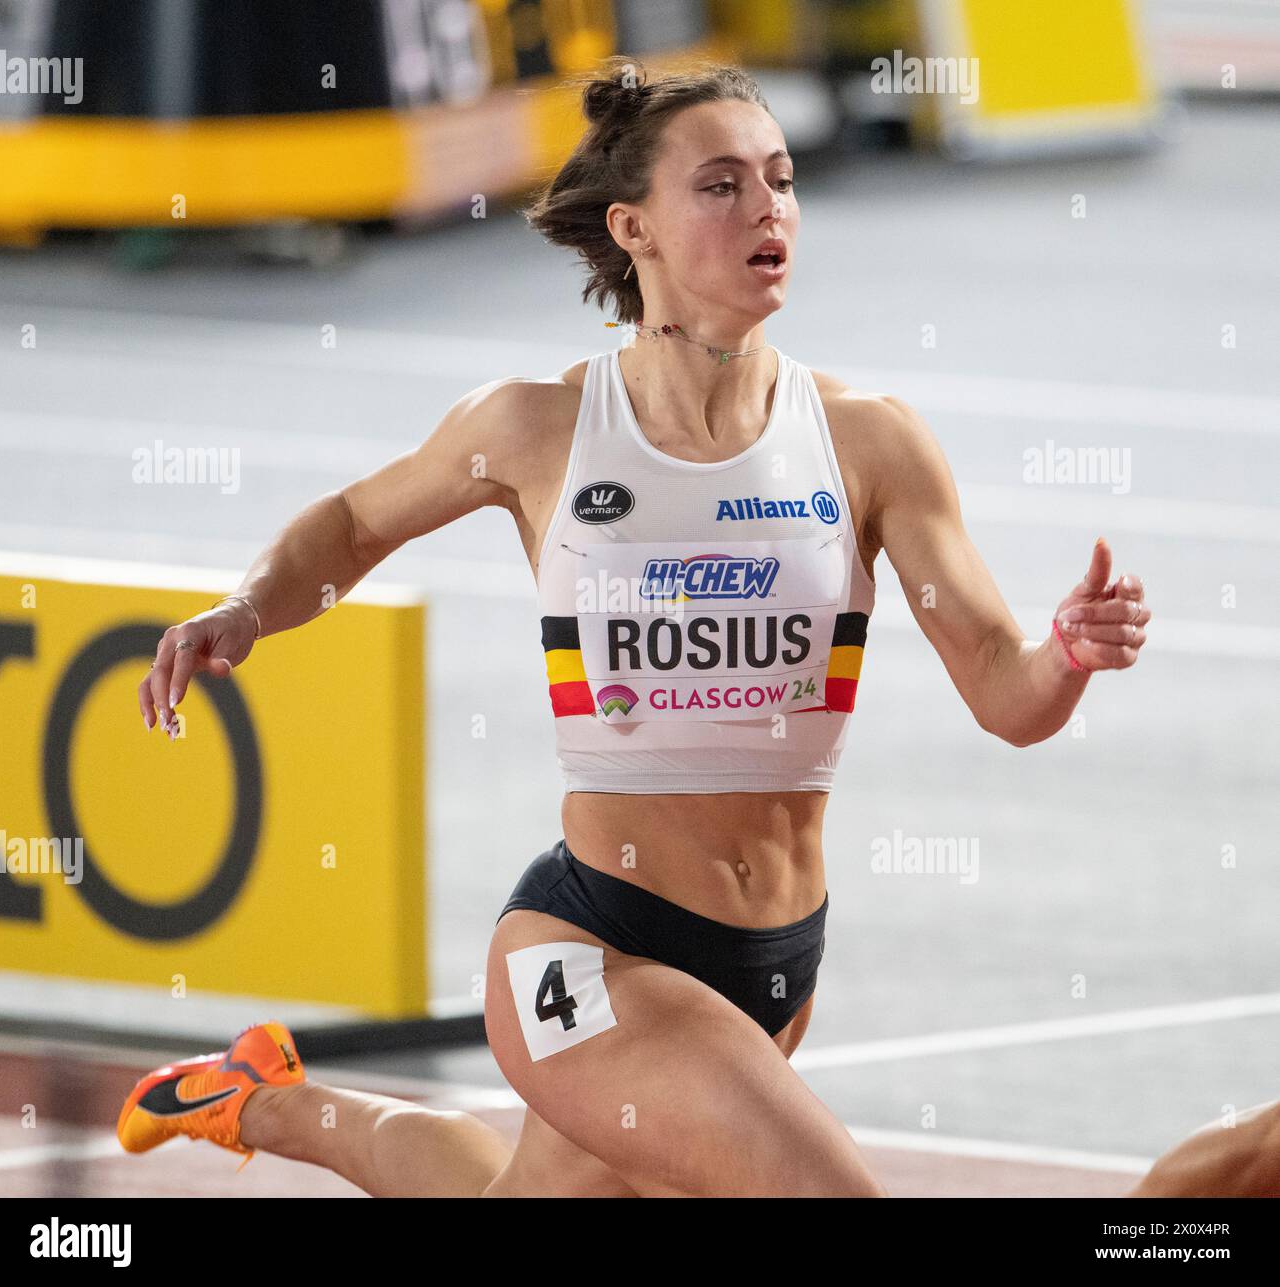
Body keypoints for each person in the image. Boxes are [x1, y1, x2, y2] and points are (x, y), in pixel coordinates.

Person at [120, 60, 1270, 1198]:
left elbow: (1004, 697)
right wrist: (248, 607)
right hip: (587, 948)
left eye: (777, 178)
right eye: (720, 185)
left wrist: (1065, 654)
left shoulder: (871, 442)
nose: (767, 205)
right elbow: (353, 522)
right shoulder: (535, 428)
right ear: (636, 229)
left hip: (774, 961)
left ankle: (259, 1096)